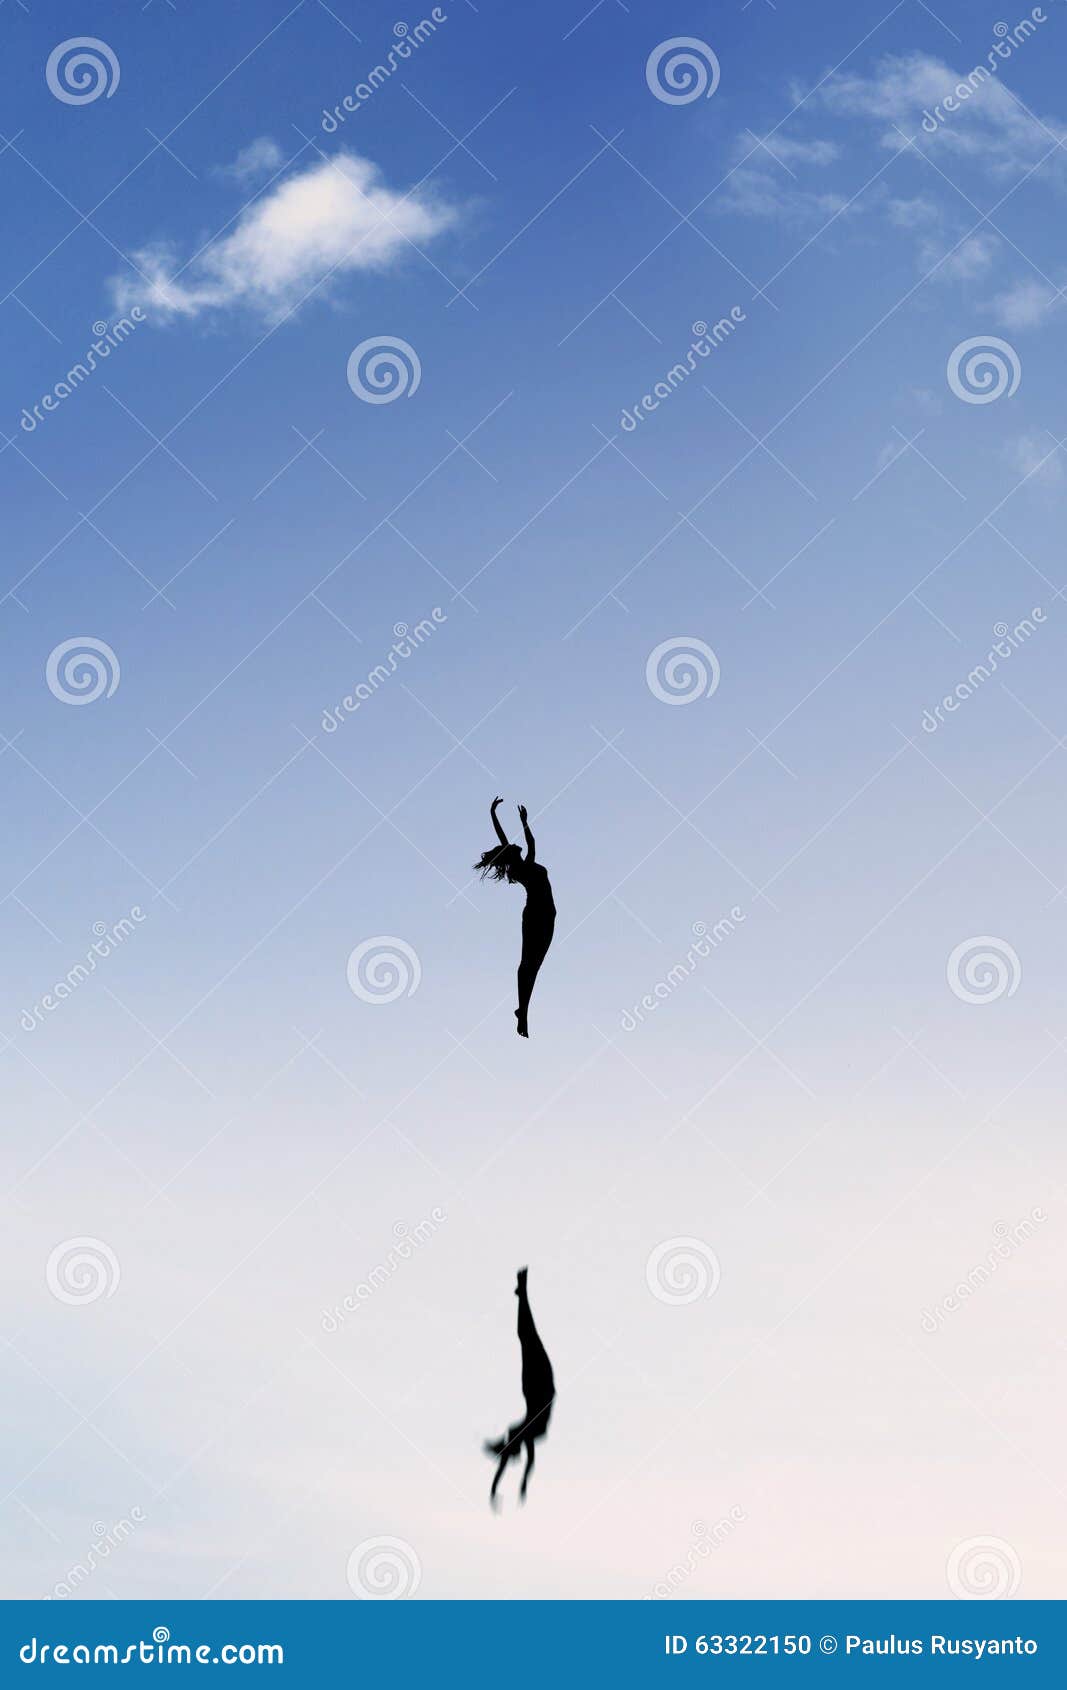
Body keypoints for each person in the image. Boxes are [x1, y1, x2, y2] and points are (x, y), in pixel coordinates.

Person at [474, 798, 556, 1037]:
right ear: (510, 855)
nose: (515, 845)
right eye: (511, 847)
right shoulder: (522, 867)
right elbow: (524, 842)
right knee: (527, 966)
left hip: (547, 915)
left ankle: (523, 1011)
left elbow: (519, 840)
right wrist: (511, 819)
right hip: (536, 914)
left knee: (534, 966)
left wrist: (511, 818)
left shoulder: (522, 864)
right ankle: (524, 1012)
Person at [484, 1267, 555, 1507]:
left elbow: (512, 1463)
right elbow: (528, 1462)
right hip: (541, 1386)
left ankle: (522, 1292)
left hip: (534, 1387)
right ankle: (522, 1291)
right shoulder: (525, 1437)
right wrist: (523, 1483)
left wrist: (495, 1490)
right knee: (527, 1335)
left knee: (525, 1335)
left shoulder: (522, 1437)